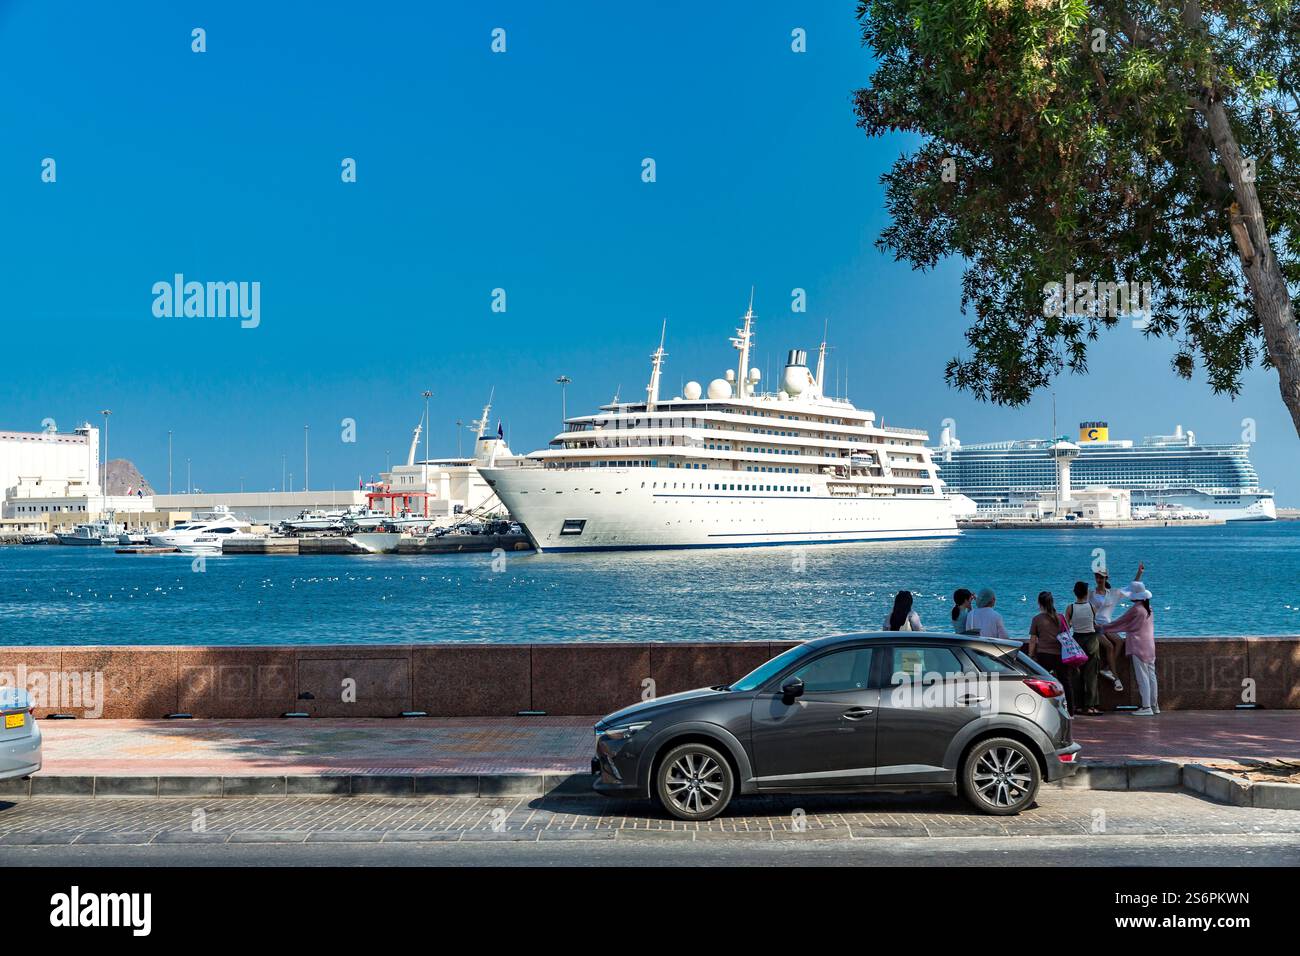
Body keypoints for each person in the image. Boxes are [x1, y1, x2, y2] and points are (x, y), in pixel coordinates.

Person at [1104, 580, 1158, 716]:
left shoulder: (1136, 610)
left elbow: (1121, 622)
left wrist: (1102, 628)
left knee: (1142, 677)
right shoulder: (1149, 609)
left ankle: (1146, 707)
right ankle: (1154, 705)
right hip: (1150, 647)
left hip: (1138, 647)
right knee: (1152, 677)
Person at [1091, 562, 1144, 691]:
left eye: (1102, 577)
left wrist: (1139, 573)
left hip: (1108, 626)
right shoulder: (1090, 594)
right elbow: (1083, 609)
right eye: (1097, 577)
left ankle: (1107, 668)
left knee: (1119, 642)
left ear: (1106, 578)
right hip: (1094, 627)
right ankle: (1116, 678)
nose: (1099, 579)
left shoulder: (1113, 593)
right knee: (1109, 646)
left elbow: (1130, 588)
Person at [1028, 590, 1077, 716]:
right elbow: (1067, 635)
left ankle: (1040, 711)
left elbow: (1033, 640)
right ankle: (1070, 711)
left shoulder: (1037, 619)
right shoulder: (1060, 618)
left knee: (1041, 683)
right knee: (1066, 683)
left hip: (1044, 655)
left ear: (1039, 603)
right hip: (1060, 655)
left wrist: (1030, 656)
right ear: (1052, 602)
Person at [1066, 580, 1103, 715]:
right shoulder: (1092, 607)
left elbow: (1066, 626)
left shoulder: (1070, 607)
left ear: (1075, 593)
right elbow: (1096, 624)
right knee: (1091, 675)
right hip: (1091, 640)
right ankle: (1091, 705)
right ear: (1086, 593)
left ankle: (1078, 705)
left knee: (1077, 675)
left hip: (1077, 640)